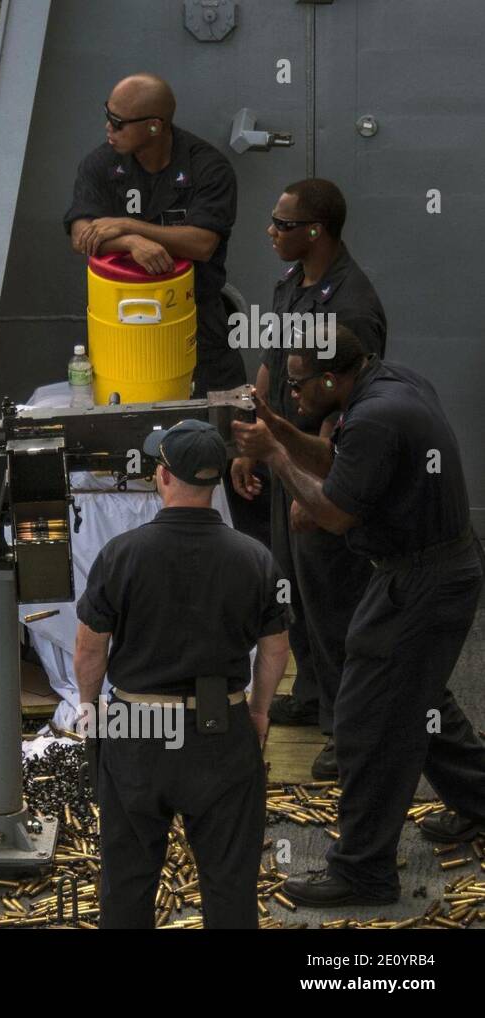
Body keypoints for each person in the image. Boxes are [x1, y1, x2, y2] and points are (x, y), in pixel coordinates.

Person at [233, 328, 485, 906]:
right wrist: (279, 430)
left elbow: (334, 511)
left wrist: (274, 455)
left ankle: (365, 871)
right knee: (415, 695)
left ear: (330, 378)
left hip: (424, 579)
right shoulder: (381, 388)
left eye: (298, 385)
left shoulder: (376, 415)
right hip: (421, 570)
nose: (292, 393)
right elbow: (341, 463)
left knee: (369, 718)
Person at [74, 419, 290, 928]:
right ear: (214, 482)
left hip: (137, 728)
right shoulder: (255, 558)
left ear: (164, 477)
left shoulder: (121, 554)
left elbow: (88, 649)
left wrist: (91, 708)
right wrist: (257, 711)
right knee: (230, 885)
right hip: (221, 729)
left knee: (127, 883)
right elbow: (276, 649)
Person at [230, 179, 387, 779]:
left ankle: (347, 731)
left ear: (315, 231)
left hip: (322, 465)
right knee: (292, 588)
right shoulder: (292, 284)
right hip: (284, 450)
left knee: (335, 604)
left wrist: (318, 492)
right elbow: (272, 359)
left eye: (281, 222)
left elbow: (350, 406)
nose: (270, 231)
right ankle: (317, 692)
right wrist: (251, 433)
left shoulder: (353, 307)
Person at [64, 73, 243, 397]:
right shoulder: (101, 165)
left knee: (218, 422)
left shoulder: (208, 168)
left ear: (154, 126)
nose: (108, 127)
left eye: (118, 122)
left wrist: (131, 225)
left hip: (196, 321)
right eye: (107, 115)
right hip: (123, 325)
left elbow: (202, 244)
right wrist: (132, 243)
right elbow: (81, 235)